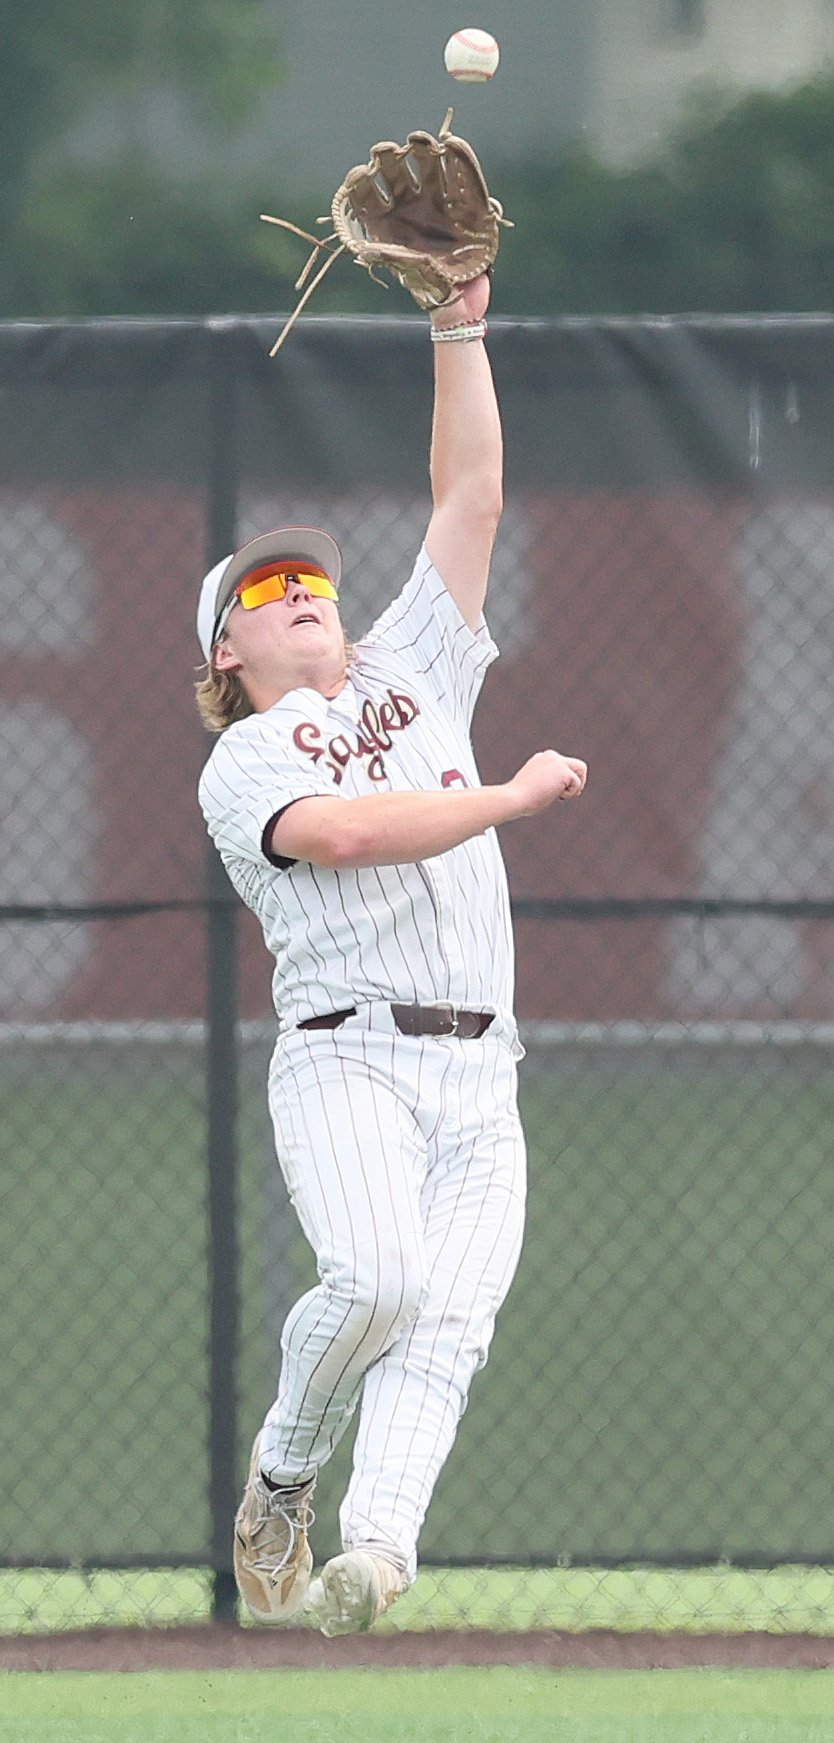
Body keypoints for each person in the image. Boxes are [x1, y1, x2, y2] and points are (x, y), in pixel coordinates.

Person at [195, 271, 587, 1637]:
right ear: (226, 649)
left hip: (486, 1075)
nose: (301, 591)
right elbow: (352, 834)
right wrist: (501, 798)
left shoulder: (410, 662)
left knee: (449, 1323)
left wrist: (458, 315)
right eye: (266, 590)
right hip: (349, 1056)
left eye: (311, 577)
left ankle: (376, 1561)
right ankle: (282, 1476)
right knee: (378, 1282)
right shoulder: (246, 759)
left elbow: (468, 493)